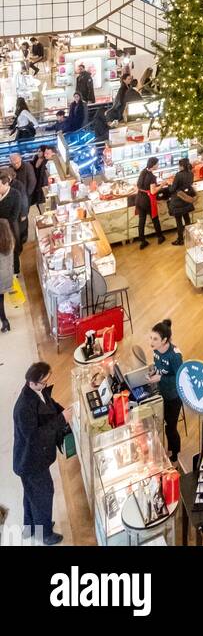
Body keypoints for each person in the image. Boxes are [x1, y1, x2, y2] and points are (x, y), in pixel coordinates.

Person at [12, 362, 72, 544]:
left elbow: (50, 405)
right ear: (34, 382)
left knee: (31, 493)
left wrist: (65, 412)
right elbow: (35, 436)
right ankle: (44, 534)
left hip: (32, 459)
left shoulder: (37, 392)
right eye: (44, 382)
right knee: (43, 494)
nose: (47, 384)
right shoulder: (24, 407)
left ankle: (30, 526)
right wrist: (62, 420)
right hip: (31, 461)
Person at [148, 320, 183, 463]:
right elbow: (158, 366)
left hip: (174, 397)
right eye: (151, 337)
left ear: (164, 340)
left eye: (155, 339)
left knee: (171, 427)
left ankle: (174, 453)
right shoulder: (156, 351)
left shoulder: (175, 356)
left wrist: (160, 378)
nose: (151, 342)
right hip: (162, 392)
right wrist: (153, 372)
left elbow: (180, 379)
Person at [134, 156, 166, 249]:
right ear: (154, 165)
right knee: (155, 218)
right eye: (157, 164)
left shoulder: (143, 171)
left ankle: (142, 241)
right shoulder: (152, 177)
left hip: (139, 198)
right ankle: (160, 237)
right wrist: (162, 185)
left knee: (141, 220)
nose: (158, 165)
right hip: (147, 200)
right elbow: (153, 191)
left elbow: (140, 185)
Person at [167, 157, 197, 243]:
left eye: (179, 165)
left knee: (179, 221)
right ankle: (188, 236)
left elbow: (172, 189)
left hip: (178, 201)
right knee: (187, 218)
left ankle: (180, 240)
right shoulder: (191, 174)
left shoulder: (178, 175)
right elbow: (189, 185)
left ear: (182, 166)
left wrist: (169, 185)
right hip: (186, 199)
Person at [0, 218, 14, 331]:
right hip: (6, 277)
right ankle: (4, 321)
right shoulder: (9, 242)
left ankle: (5, 321)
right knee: (0, 298)